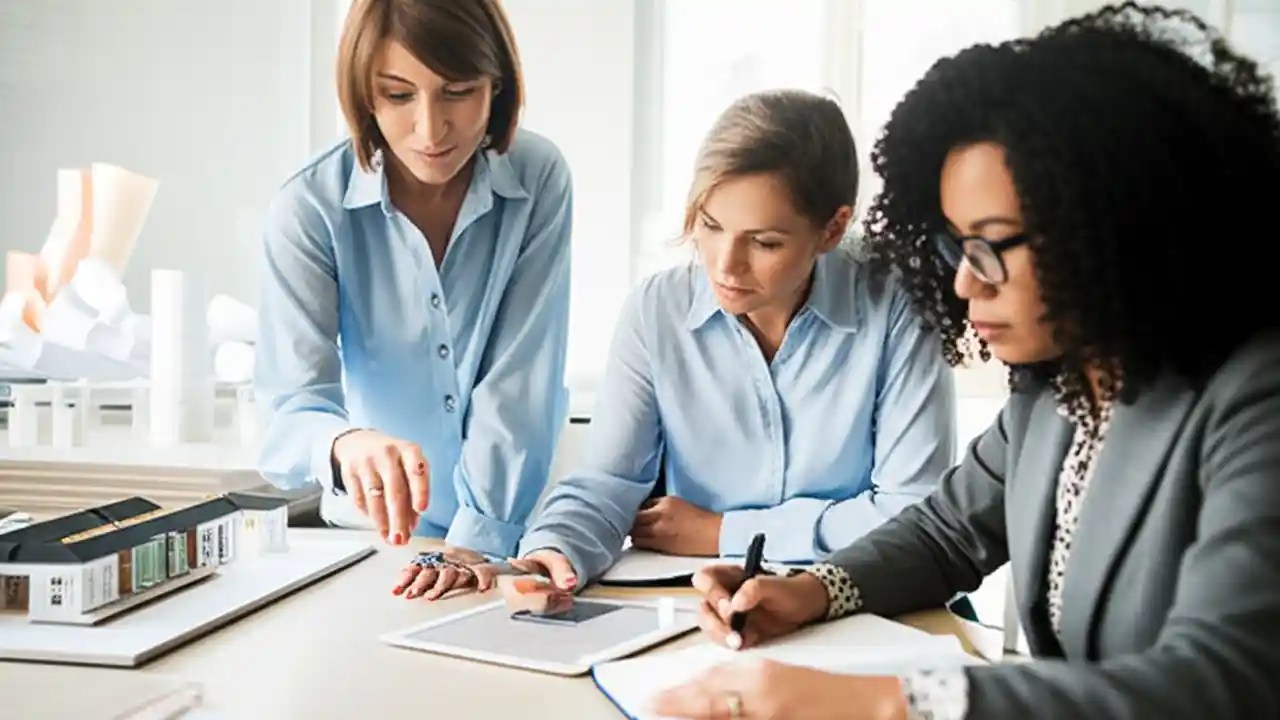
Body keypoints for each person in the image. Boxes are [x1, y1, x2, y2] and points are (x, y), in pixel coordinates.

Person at [654, 4, 1280, 718]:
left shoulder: (1257, 395)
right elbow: (945, 533)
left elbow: (1225, 681)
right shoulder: (1056, 388)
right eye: (957, 246)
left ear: (1114, 225)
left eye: (990, 246)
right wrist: (812, 590)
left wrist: (894, 704)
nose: (963, 283)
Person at [393, 89, 956, 601]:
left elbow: (913, 511)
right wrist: (551, 555)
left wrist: (721, 532)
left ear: (832, 230)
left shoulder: (899, 306)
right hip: (706, 606)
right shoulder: (657, 310)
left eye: (764, 241)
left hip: (875, 605)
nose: (725, 265)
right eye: (709, 226)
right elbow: (609, 482)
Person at [254, 0, 572, 559]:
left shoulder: (538, 179)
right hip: (370, 543)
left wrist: (477, 543)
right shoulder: (308, 207)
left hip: (507, 537)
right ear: (362, 94)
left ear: (497, 86)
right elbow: (289, 410)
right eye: (399, 95)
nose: (431, 128)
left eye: (458, 92)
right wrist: (344, 442)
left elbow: (520, 384)